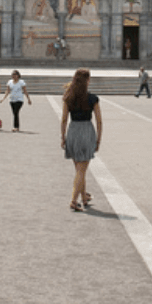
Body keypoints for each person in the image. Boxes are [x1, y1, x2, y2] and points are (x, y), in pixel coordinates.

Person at [59, 69, 102, 212]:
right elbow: (99, 121)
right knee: (81, 170)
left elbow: (64, 119)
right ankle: (73, 200)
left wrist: (63, 137)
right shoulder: (92, 99)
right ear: (87, 81)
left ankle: (84, 197)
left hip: (73, 131)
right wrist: (98, 140)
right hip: (86, 131)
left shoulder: (68, 97)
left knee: (79, 170)